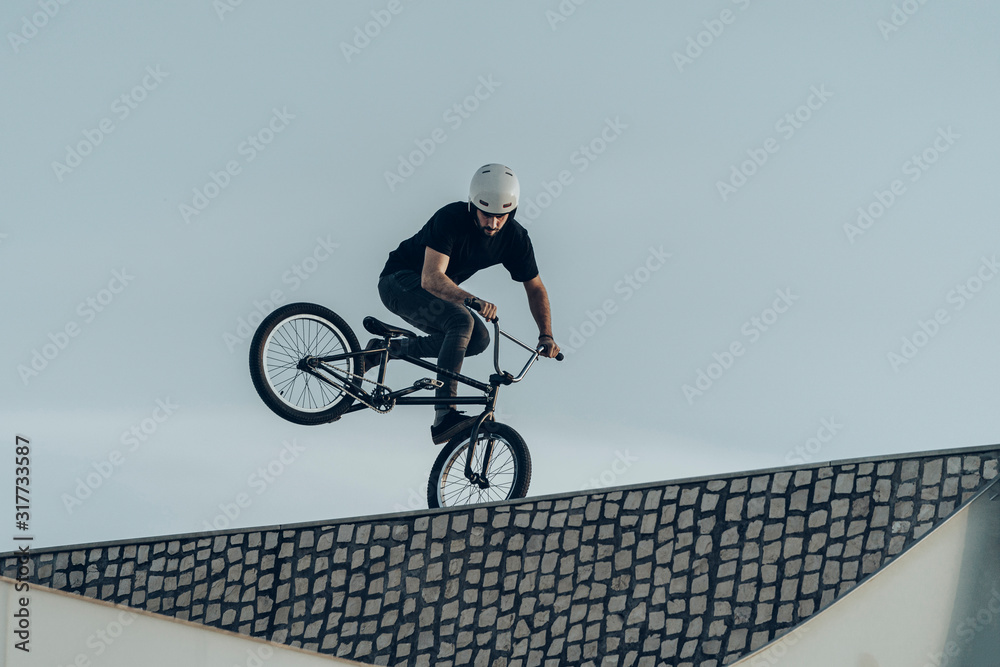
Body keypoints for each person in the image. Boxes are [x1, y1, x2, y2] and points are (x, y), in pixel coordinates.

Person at [370, 163, 561, 444]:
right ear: (473, 207)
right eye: (486, 215)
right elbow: (431, 278)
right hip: (399, 281)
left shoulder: (516, 239)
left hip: (434, 294)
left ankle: (385, 351)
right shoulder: (451, 218)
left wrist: (546, 333)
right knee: (462, 321)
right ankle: (444, 416)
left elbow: (535, 288)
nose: (493, 224)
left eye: (501, 216)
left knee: (478, 340)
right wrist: (471, 300)